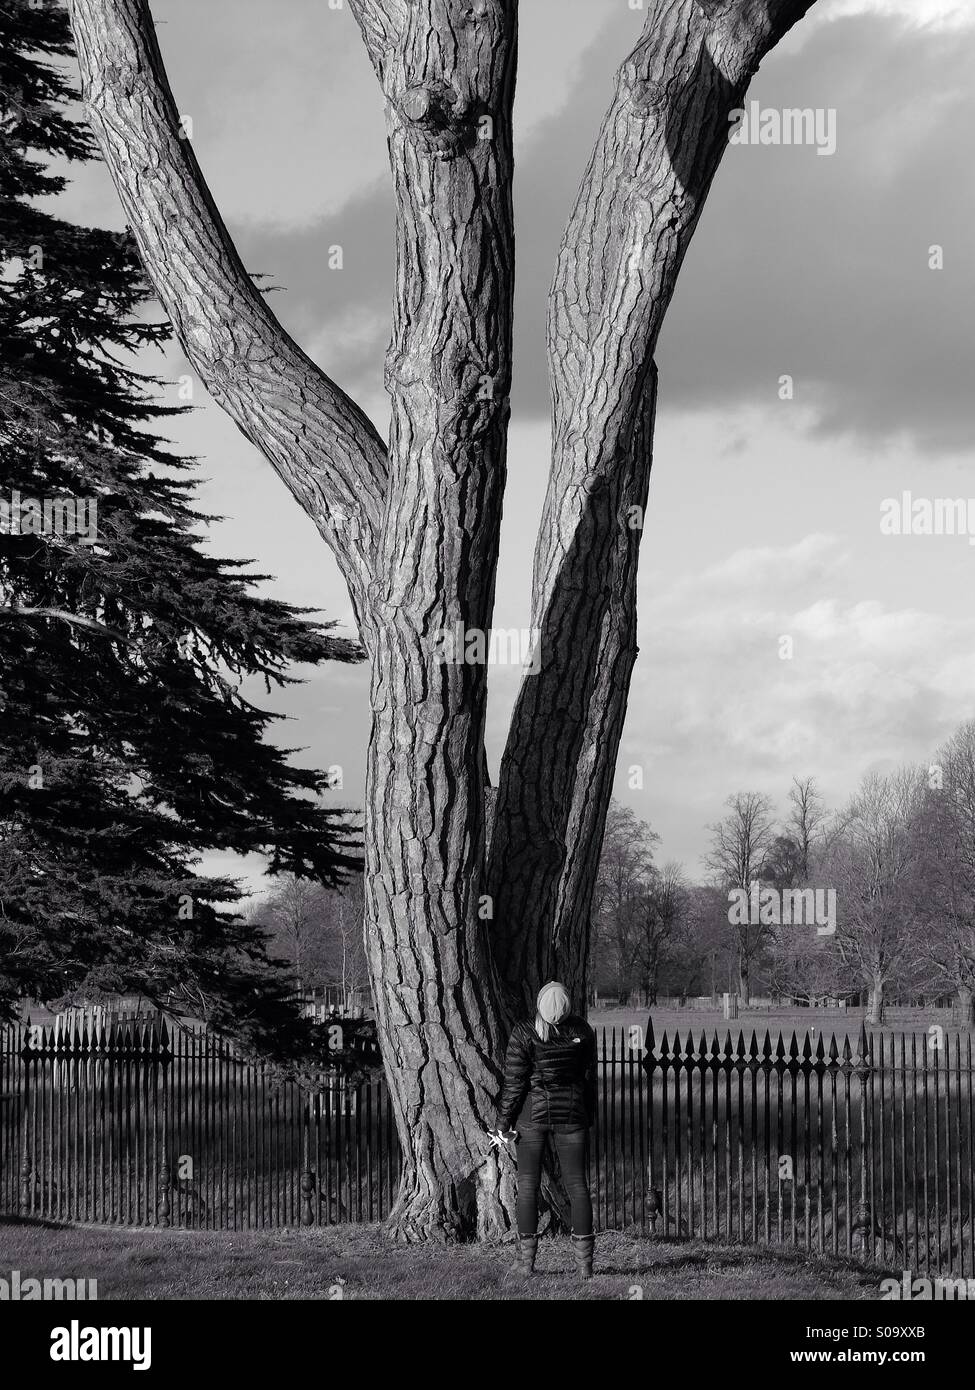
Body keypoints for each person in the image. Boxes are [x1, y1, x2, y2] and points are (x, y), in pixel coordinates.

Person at [492, 980, 597, 1279]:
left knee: (527, 1185)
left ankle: (525, 1264)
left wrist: (503, 1124)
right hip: (572, 1117)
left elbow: (514, 1083)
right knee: (578, 1187)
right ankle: (584, 1265)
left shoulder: (524, 1032)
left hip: (531, 1117)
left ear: (539, 1004)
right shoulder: (582, 1031)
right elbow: (589, 1079)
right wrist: (588, 1116)